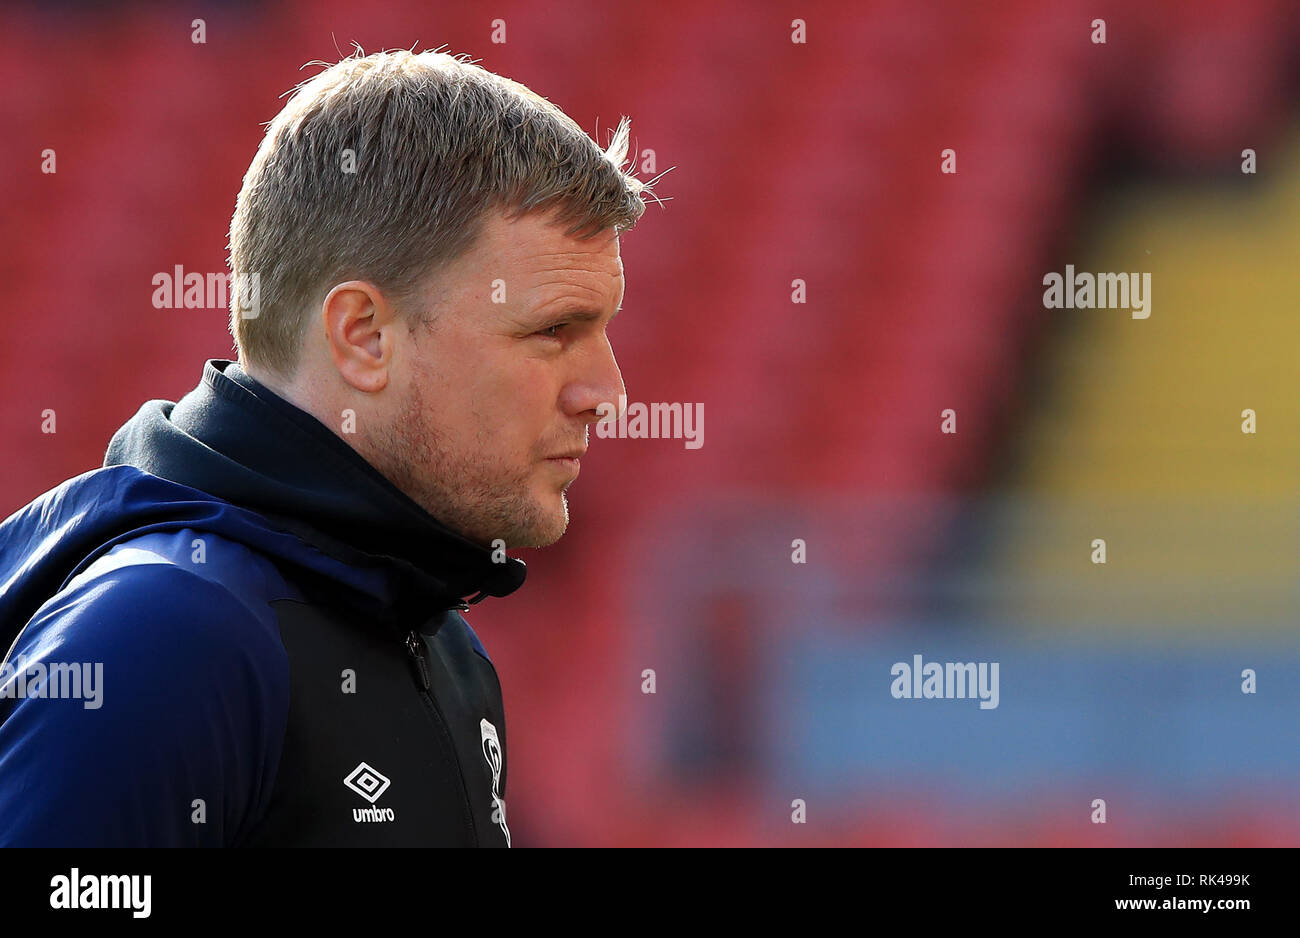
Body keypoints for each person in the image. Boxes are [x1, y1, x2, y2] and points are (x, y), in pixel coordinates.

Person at [0, 48, 651, 846]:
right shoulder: (163, 639)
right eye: (554, 331)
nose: (608, 394)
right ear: (364, 337)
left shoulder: (441, 643)